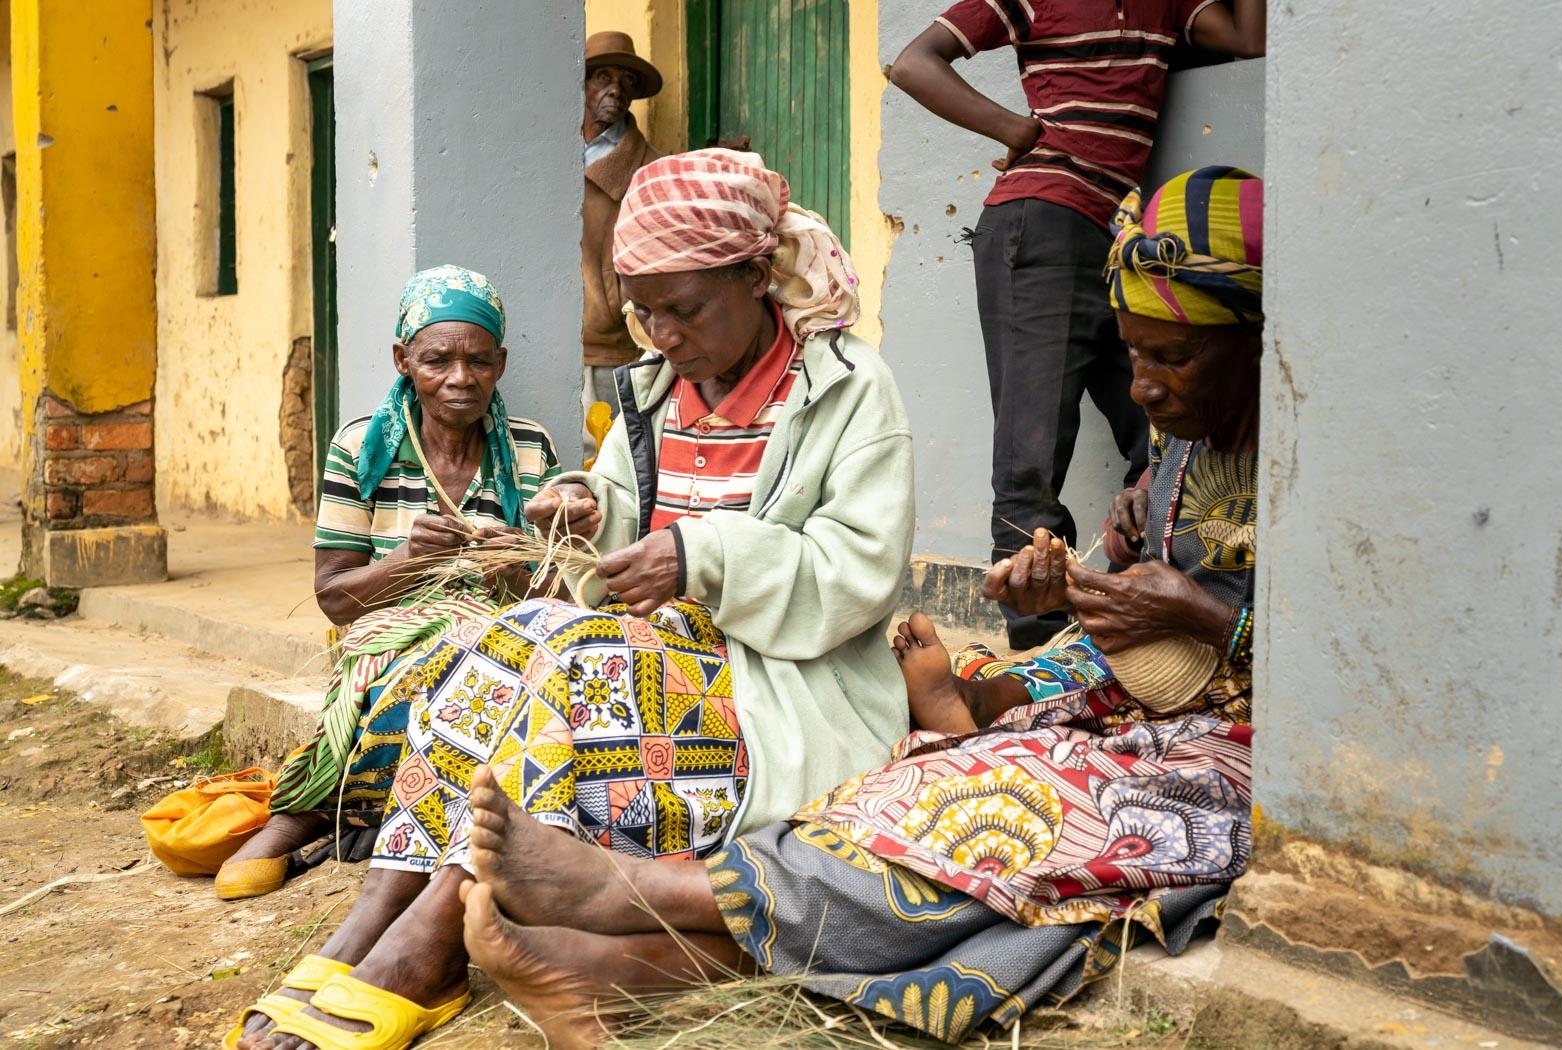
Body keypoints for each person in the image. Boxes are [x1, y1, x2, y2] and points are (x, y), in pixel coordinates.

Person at [445, 166, 1264, 1049]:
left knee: (980, 807)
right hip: (1127, 689)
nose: (1140, 387)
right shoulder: (1185, 439)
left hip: (1239, 740)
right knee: (915, 762)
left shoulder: (1340, 464)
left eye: (1171, 359)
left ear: (1263, 341)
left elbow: (1373, 689)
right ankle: (622, 973)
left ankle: (638, 894)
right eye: (1131, 351)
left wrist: (1205, 617)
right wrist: (1081, 579)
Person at [228, 150, 916, 1050]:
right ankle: (381, 905)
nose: (660, 334)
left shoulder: (849, 390)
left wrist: (698, 554)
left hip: (783, 691)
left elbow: (857, 575)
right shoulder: (657, 392)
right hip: (653, 663)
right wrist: (584, 508)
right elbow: (614, 528)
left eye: (684, 308)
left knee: (576, 657)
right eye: (644, 310)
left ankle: (432, 930)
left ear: (755, 273)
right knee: (498, 637)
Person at [889, 0, 1264, 649]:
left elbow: (1248, 37)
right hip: (1039, 222)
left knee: (1154, 435)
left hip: (1115, 238)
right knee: (1029, 457)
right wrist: (1014, 129)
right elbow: (913, 63)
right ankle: (1039, 648)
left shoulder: (1168, 4)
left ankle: (1138, 614)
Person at [214, 266, 560, 907]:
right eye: (437, 362)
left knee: (496, 666)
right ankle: (322, 806)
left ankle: (360, 816)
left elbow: (557, 590)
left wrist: (510, 566)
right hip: (389, 643)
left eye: (479, 362)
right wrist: (407, 561)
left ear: (501, 363)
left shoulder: (531, 449)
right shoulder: (358, 448)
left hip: (501, 641)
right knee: (423, 668)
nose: (460, 380)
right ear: (404, 360)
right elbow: (334, 596)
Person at [581, 30, 663, 464]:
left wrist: (616, 302)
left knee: (603, 461)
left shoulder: (649, 167)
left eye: (626, 83)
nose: (614, 90)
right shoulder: (547, 152)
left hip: (609, 344)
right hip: (549, 333)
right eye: (603, 77)